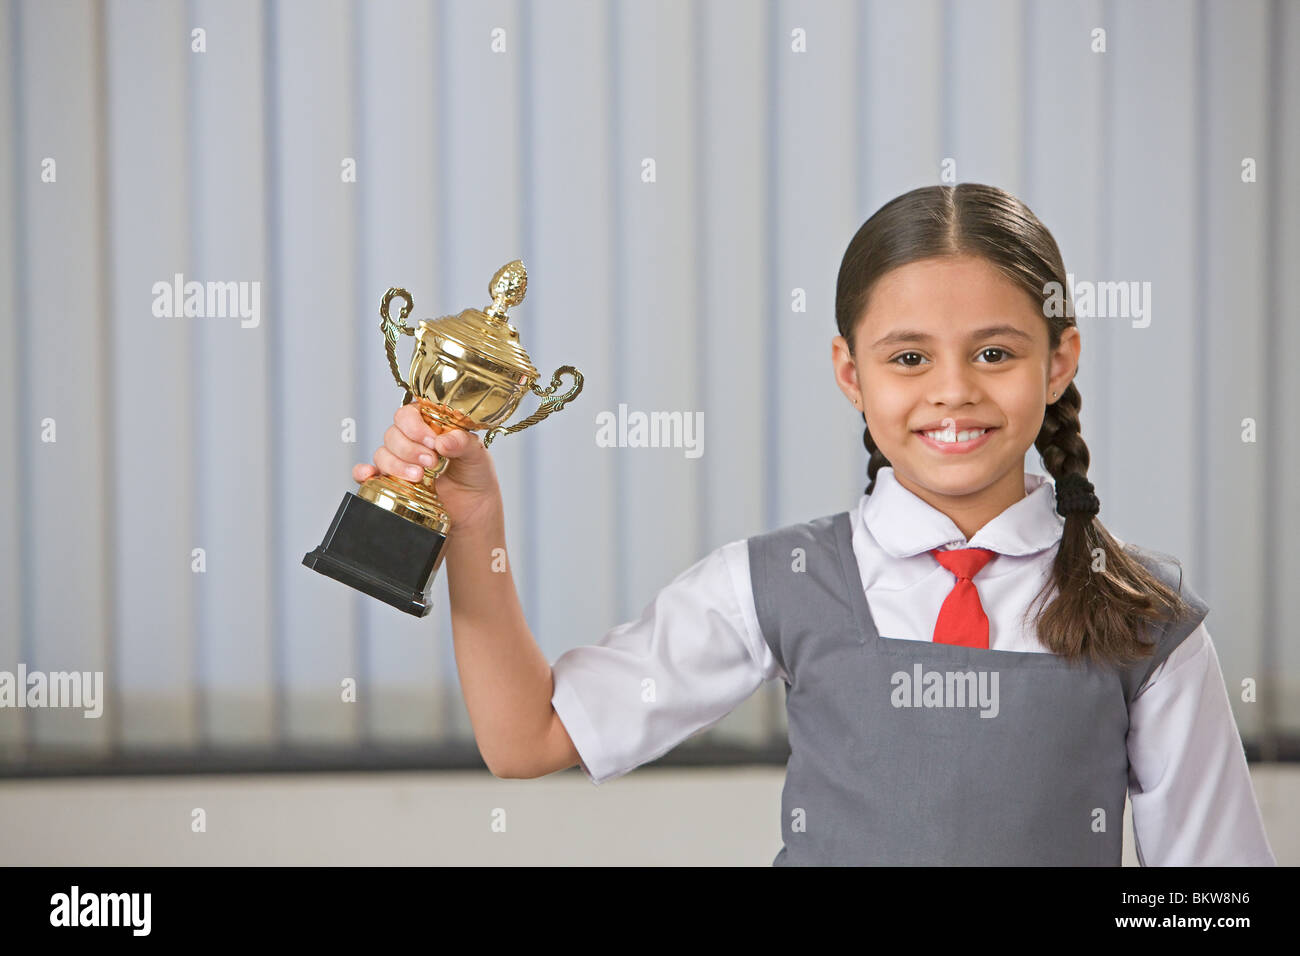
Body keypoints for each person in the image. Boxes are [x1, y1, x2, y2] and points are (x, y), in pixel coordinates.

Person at [352, 183, 1275, 866]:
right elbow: (528, 739)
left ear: (1059, 359)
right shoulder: (774, 582)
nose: (953, 389)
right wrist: (474, 526)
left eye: (995, 352)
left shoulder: (1145, 620)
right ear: (850, 372)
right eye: (908, 356)